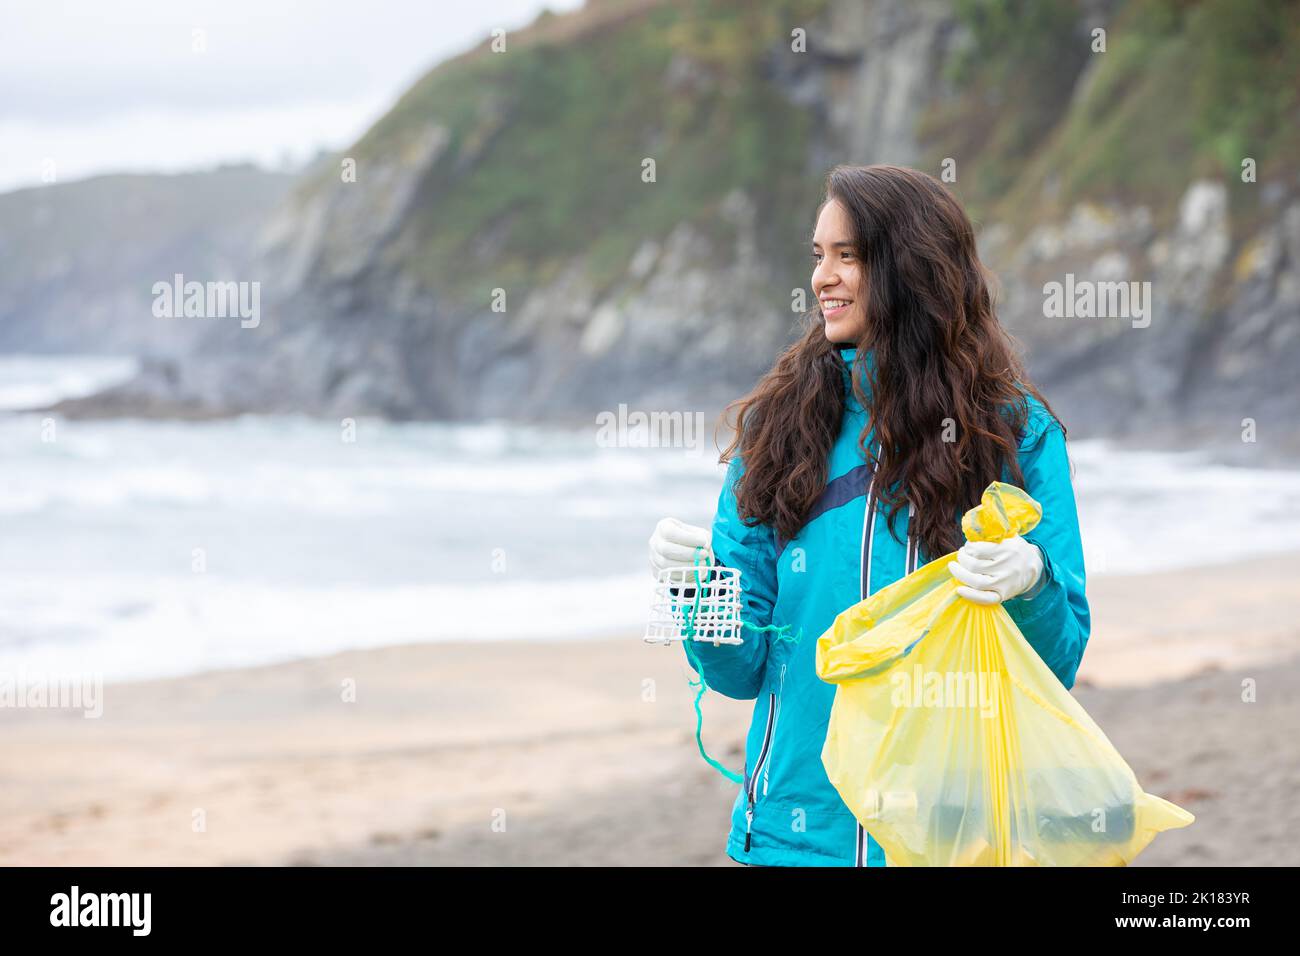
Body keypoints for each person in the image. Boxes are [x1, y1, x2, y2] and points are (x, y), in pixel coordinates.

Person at [647, 164, 1090, 867]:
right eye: (818, 256)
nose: (824, 277)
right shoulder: (777, 429)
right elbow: (740, 673)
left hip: (953, 837)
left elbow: (1058, 662)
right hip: (795, 839)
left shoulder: (1015, 432)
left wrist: (1032, 580)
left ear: (914, 266)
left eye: (849, 256)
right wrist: (699, 594)